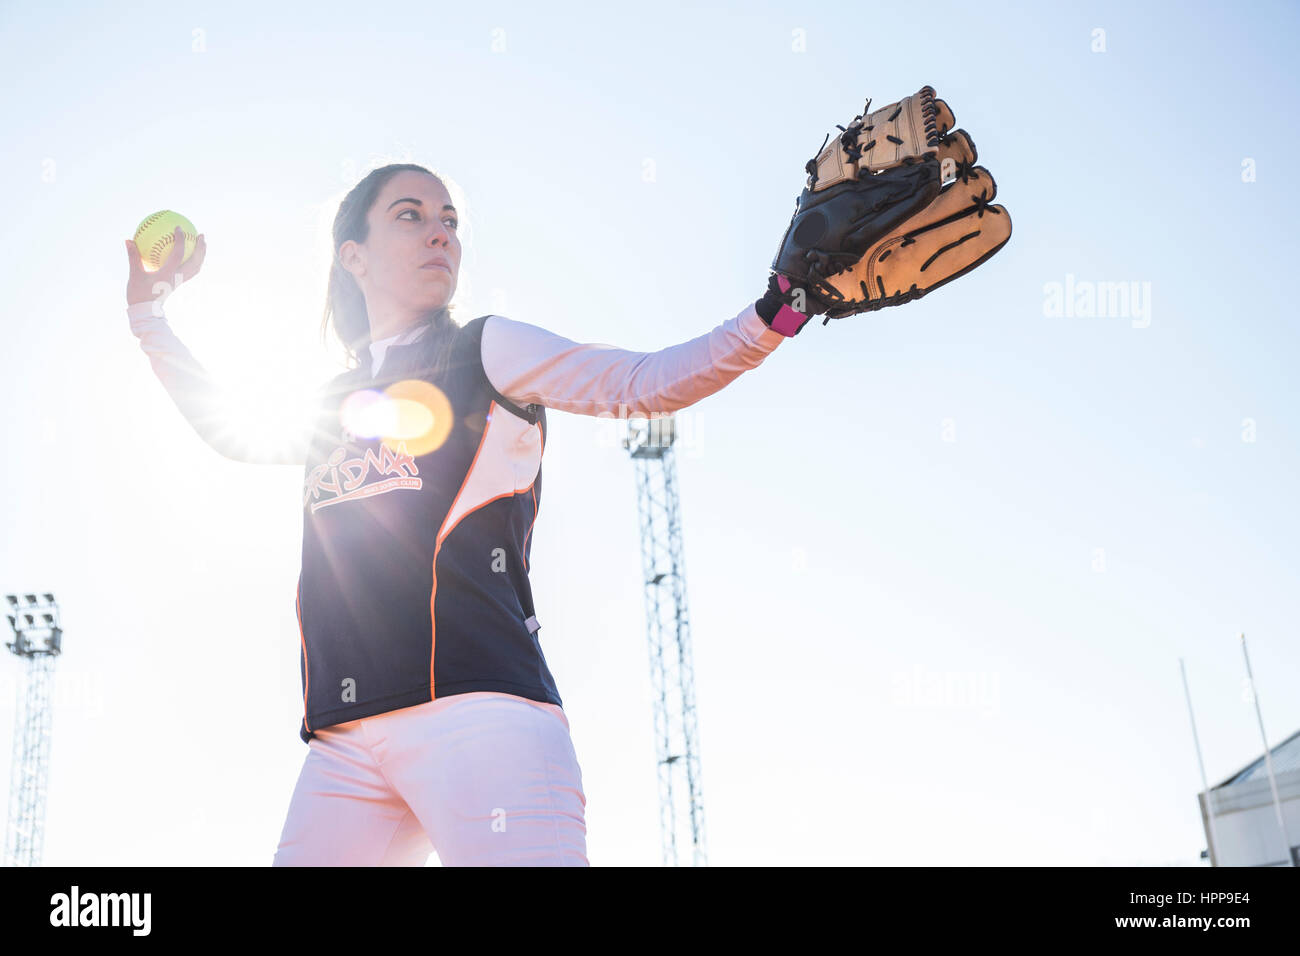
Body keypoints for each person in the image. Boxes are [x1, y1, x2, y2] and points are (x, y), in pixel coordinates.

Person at [124, 163, 805, 866]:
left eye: (450, 220)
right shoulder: (330, 400)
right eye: (410, 215)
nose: (440, 234)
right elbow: (227, 430)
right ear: (351, 255)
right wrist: (149, 318)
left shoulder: (483, 349)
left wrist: (779, 307)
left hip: (484, 716)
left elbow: (645, 383)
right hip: (345, 742)